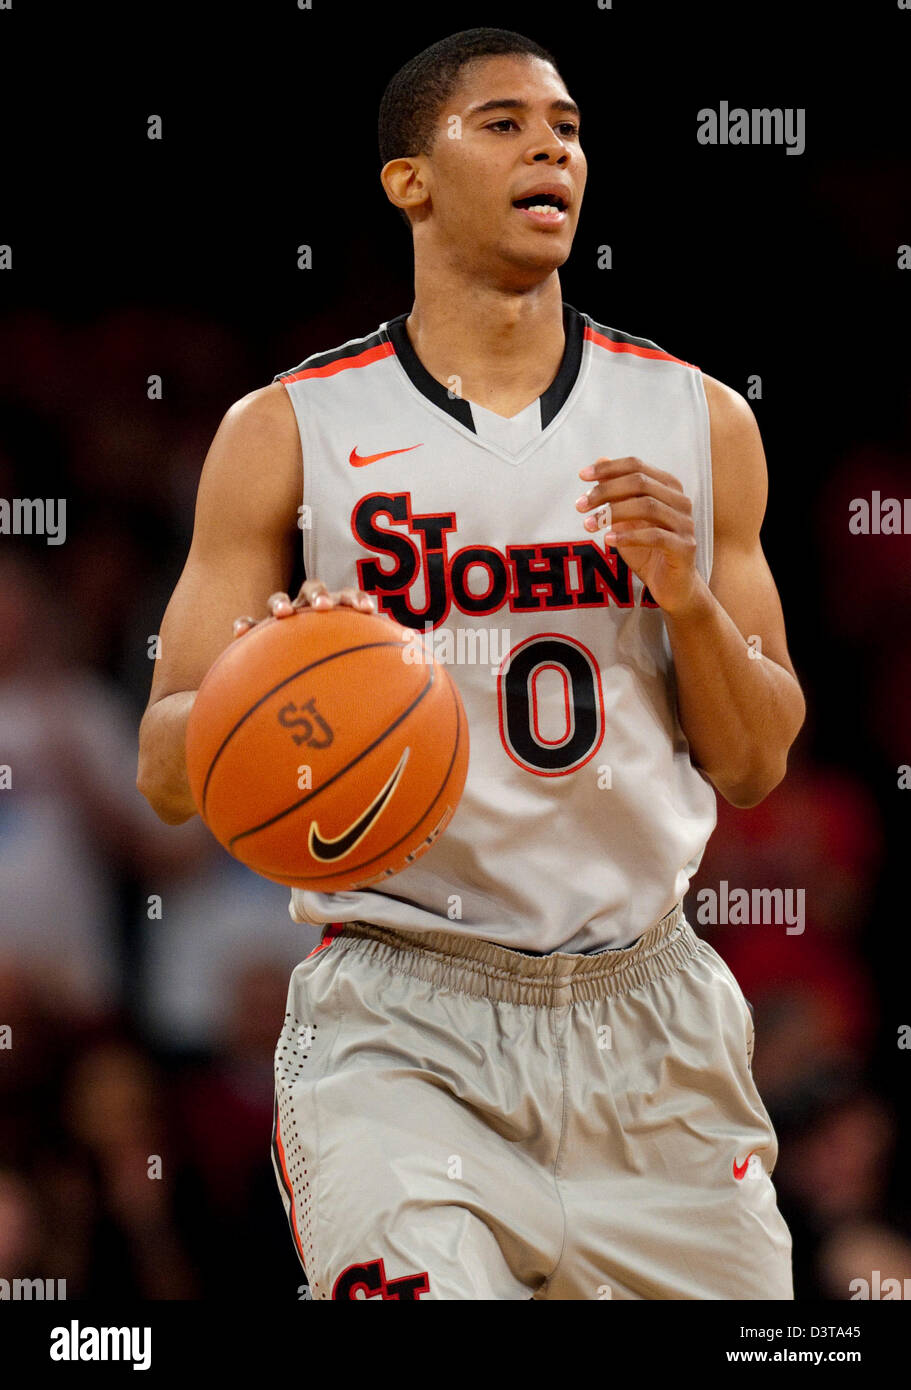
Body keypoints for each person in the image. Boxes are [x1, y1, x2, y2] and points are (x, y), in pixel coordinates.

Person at [138, 27, 806, 1300]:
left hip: (650, 1022)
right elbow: (170, 768)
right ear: (410, 180)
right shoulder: (288, 431)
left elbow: (757, 758)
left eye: (565, 126)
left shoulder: (697, 416)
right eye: (501, 122)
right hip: (403, 1020)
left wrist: (688, 602)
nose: (549, 145)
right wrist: (276, 683)